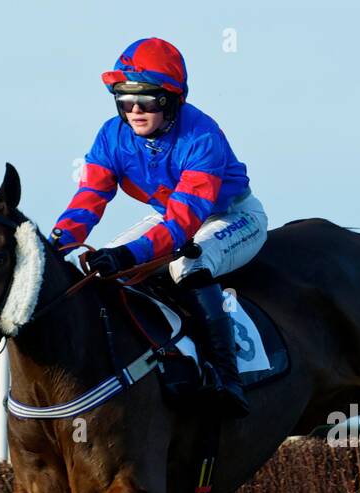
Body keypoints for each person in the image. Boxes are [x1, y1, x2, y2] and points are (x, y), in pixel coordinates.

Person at [51, 37, 265, 418]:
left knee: (189, 265)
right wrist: (57, 244)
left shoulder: (202, 136)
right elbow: (88, 198)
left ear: (170, 100)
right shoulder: (110, 136)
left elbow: (184, 224)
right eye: (123, 99)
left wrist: (131, 254)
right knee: (102, 268)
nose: (133, 110)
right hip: (169, 214)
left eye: (145, 100)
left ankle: (226, 377)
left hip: (230, 216)